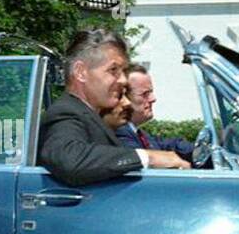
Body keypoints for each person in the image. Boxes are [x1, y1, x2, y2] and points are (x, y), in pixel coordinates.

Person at [37, 29, 185, 186]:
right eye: (113, 70)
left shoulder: (91, 116)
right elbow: (70, 159)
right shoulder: (66, 113)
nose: (123, 80)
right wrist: (149, 158)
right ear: (81, 72)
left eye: (122, 71)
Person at [116, 63, 194, 167]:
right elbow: (141, 160)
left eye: (151, 92)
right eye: (145, 94)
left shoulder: (139, 133)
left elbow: (172, 145)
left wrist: (203, 150)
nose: (153, 99)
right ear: (123, 97)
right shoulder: (121, 134)